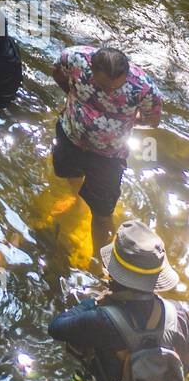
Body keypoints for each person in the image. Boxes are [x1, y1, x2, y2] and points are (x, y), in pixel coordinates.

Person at [49, 221, 189, 381]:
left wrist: (92, 302)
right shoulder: (179, 313)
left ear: (112, 270)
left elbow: (56, 327)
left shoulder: (101, 320)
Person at [51, 46, 163, 252]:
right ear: (91, 69)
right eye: (103, 86)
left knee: (103, 213)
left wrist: (125, 122)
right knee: (69, 173)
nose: (109, 92)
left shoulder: (144, 89)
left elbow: (153, 120)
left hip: (109, 157)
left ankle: (103, 260)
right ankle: (75, 200)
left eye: (115, 88)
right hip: (70, 136)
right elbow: (57, 72)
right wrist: (74, 97)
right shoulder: (74, 58)